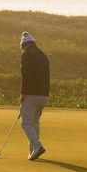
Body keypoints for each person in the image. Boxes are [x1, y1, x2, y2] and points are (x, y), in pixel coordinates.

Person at [18, 30, 50, 160]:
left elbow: (26, 75)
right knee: (35, 122)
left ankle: (37, 146)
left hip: (31, 94)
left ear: (23, 46)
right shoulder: (43, 55)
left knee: (25, 123)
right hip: (44, 95)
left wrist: (23, 93)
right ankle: (33, 151)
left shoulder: (26, 55)